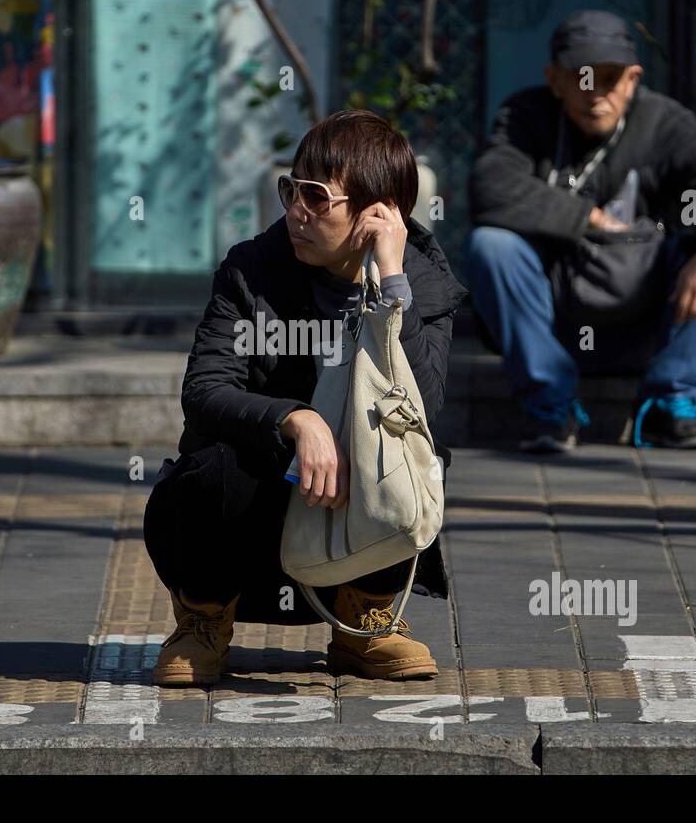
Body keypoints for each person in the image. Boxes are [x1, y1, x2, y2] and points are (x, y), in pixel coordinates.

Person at [143, 109, 470, 686]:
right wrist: (296, 420)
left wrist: (393, 286)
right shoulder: (252, 270)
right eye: (291, 190)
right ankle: (203, 618)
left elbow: (423, 406)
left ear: (378, 211)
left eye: (317, 198)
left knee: (416, 459)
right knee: (218, 465)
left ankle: (363, 619)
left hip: (354, 517)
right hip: (257, 511)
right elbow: (204, 391)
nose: (296, 211)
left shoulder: (421, 284)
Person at [466, 9, 696, 452]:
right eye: (581, 78)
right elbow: (489, 187)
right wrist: (588, 217)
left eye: (609, 78)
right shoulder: (526, 116)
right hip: (556, 320)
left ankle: (670, 404)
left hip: (648, 320)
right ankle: (551, 407)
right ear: (555, 80)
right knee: (490, 245)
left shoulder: (664, 122)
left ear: (632, 79)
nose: (595, 93)